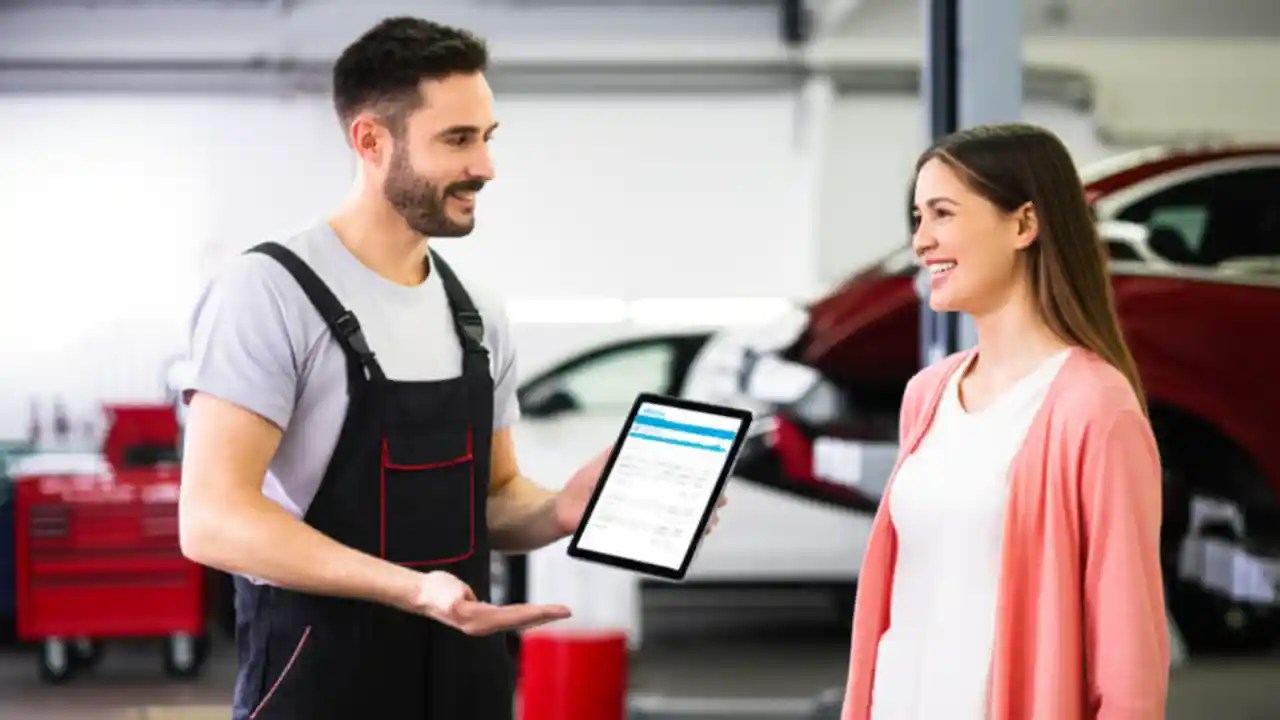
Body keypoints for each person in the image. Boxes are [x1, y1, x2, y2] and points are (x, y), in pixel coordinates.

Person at [177, 16, 722, 720]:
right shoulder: (270, 292)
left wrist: (560, 509)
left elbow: (491, 498)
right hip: (319, 679)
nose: (486, 168)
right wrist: (410, 589)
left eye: (487, 139)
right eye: (458, 140)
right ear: (371, 140)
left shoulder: (478, 315)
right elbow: (214, 519)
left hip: (465, 680)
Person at [840, 123, 1170, 720]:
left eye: (942, 214)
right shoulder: (927, 395)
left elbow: (1131, 658)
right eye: (917, 218)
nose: (921, 241)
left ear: (1023, 224)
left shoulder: (1094, 406)